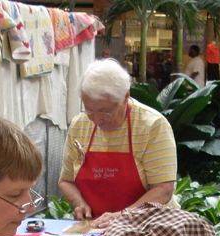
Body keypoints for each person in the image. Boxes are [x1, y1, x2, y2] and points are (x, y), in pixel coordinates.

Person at [59, 59, 177, 222]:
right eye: (90, 111)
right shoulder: (80, 125)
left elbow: (163, 189)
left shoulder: (152, 125)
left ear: (125, 97)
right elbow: (66, 181)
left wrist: (123, 217)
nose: (98, 119)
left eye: (105, 112)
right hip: (95, 227)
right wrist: (79, 203)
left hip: (148, 227)